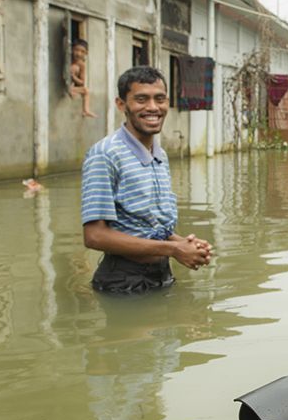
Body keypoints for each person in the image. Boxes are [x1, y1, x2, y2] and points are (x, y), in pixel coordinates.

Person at [81, 65, 212, 294]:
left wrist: (185, 245)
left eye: (159, 99)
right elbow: (94, 236)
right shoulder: (105, 154)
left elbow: (149, 225)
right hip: (123, 282)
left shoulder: (159, 155)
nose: (153, 107)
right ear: (122, 104)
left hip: (160, 274)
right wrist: (173, 249)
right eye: (141, 99)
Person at [68, 39, 97, 118]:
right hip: (64, 85)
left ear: (86, 53)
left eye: (82, 51)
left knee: (86, 90)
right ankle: (70, 90)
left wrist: (73, 77)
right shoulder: (67, 59)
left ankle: (86, 110)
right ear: (71, 49)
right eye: (76, 50)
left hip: (72, 87)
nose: (79, 53)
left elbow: (82, 82)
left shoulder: (81, 65)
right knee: (74, 68)